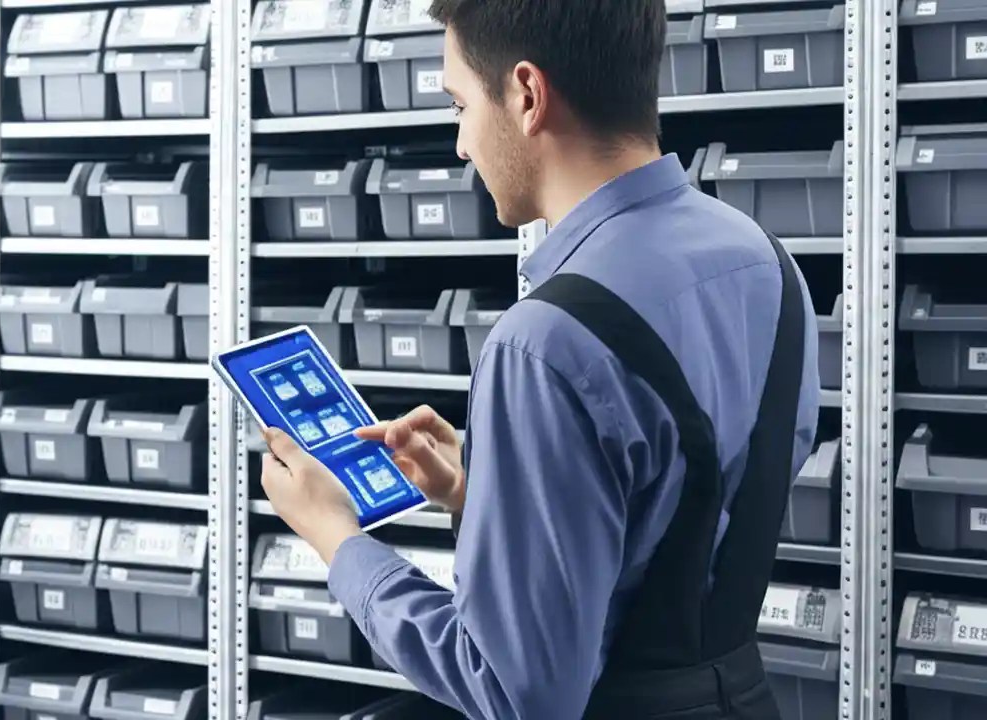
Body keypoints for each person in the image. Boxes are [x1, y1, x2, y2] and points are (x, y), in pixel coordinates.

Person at [259, 1, 821, 718]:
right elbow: (693, 518)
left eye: (459, 104)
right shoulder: (768, 265)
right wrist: (488, 495)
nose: (461, 143)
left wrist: (334, 535)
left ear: (526, 95)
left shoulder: (545, 343)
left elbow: (517, 693)